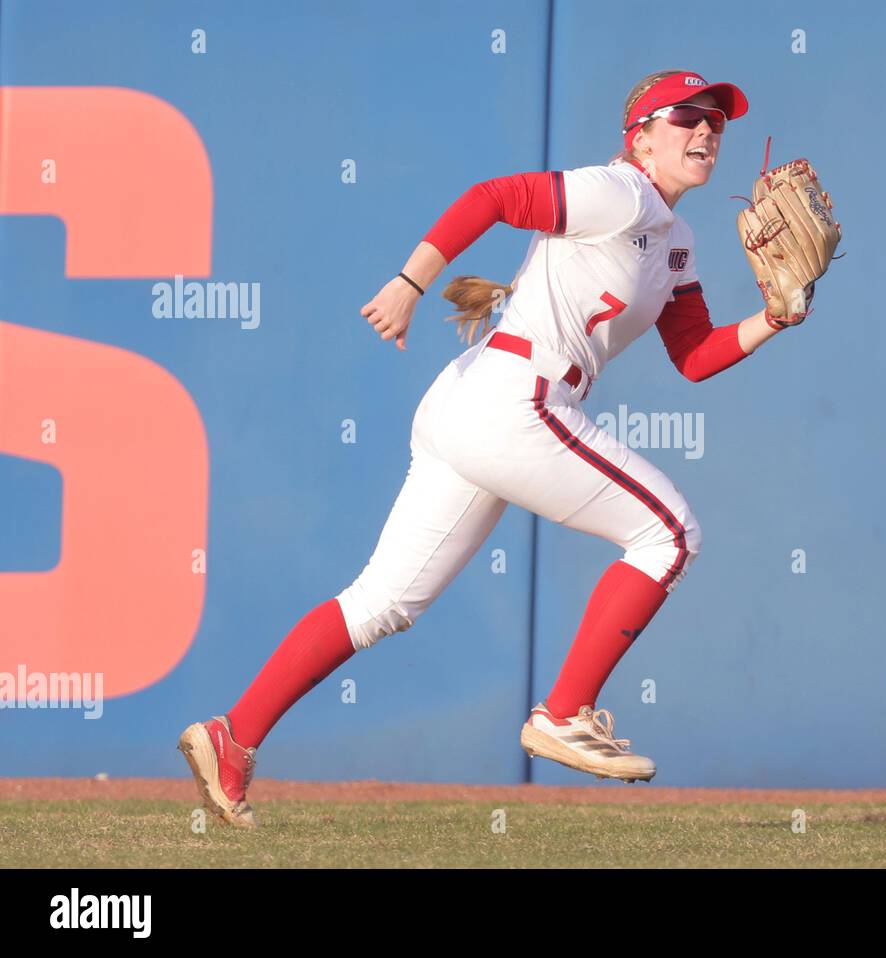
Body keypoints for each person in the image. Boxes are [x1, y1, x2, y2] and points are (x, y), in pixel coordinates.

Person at [179, 68, 802, 827]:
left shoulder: (676, 239)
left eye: (716, 121)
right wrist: (412, 280)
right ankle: (565, 712)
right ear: (640, 135)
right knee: (669, 533)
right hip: (516, 397)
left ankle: (232, 735)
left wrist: (774, 316)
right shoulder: (622, 191)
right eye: (686, 118)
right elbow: (494, 197)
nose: (706, 131)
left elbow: (696, 353)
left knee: (380, 604)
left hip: (476, 402)